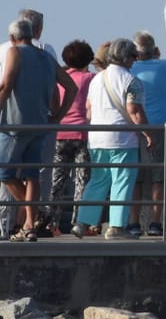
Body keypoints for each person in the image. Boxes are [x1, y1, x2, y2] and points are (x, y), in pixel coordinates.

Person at [73, 38, 153, 240]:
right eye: (134, 56)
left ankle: (82, 223)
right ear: (126, 57)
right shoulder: (132, 81)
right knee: (122, 182)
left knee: (98, 181)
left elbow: (89, 111)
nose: (135, 60)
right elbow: (134, 110)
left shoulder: (96, 79)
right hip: (122, 139)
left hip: (97, 138)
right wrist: (149, 133)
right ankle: (116, 227)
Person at [0, 19, 61, 241]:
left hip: (15, 125)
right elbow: (69, 87)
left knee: (5, 173)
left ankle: (32, 215)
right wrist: (58, 115)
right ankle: (29, 225)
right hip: (40, 124)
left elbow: (6, 85)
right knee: (32, 176)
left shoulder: (14, 52)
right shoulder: (46, 56)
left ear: (12, 38)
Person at [43, 40, 95, 236]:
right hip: (82, 134)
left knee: (57, 182)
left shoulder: (60, 78)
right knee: (82, 181)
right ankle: (78, 222)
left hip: (59, 133)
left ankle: (51, 223)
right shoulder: (91, 78)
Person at [129, 31, 166, 237]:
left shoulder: (130, 69)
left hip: (135, 127)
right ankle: (155, 223)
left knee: (135, 178)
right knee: (157, 178)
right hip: (159, 127)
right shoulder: (162, 67)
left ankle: (133, 222)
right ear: (154, 50)